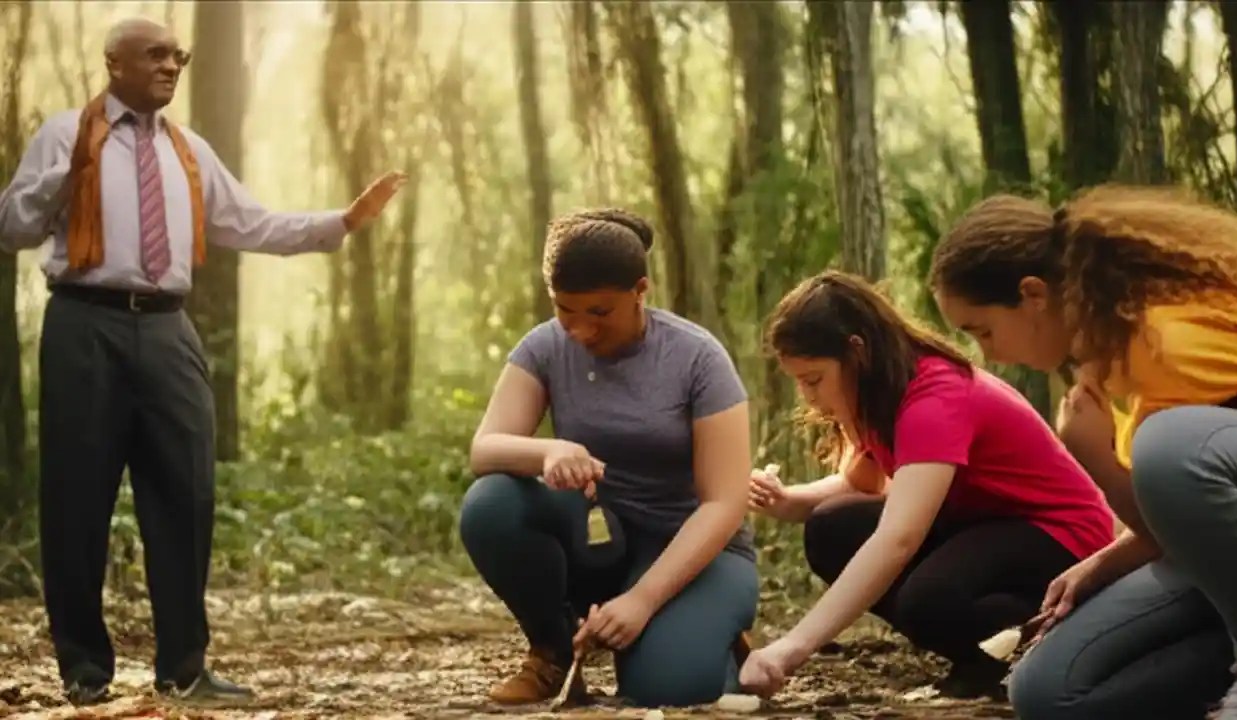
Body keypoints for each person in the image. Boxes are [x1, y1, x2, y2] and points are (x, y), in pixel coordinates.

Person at [0, 17, 405, 707]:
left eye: (178, 56)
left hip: (168, 329)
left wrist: (341, 222)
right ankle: (85, 671)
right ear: (114, 63)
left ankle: (185, 669)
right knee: (76, 498)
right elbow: (13, 227)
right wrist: (66, 175)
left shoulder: (188, 151)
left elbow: (250, 223)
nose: (171, 66)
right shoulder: (66, 134)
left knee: (186, 495)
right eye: (155, 55)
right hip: (84, 324)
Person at [929, 185, 1237, 719]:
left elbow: (1187, 478)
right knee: (1046, 691)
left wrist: (1096, 459)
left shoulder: (1162, 338)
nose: (989, 355)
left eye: (984, 331)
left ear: (1033, 295)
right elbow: (1196, 521)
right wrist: (1101, 564)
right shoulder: (1114, 353)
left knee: (1169, 446)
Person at [738, 271, 1114, 701]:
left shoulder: (933, 397)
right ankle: (977, 647)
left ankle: (1044, 643)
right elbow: (861, 484)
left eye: (814, 379)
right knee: (832, 527)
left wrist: (790, 648)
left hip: (1060, 534)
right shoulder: (878, 394)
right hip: (984, 525)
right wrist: (788, 500)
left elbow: (900, 537)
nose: (807, 396)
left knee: (928, 599)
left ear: (857, 352)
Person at [459, 208, 757, 708]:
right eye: (565, 310)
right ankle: (552, 650)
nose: (580, 329)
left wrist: (642, 600)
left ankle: (714, 638)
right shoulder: (544, 347)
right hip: (601, 539)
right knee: (491, 504)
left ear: (641, 290)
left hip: (692, 549)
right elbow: (485, 449)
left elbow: (724, 504)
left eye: (599, 313)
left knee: (666, 689)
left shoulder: (697, 358)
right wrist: (550, 449)